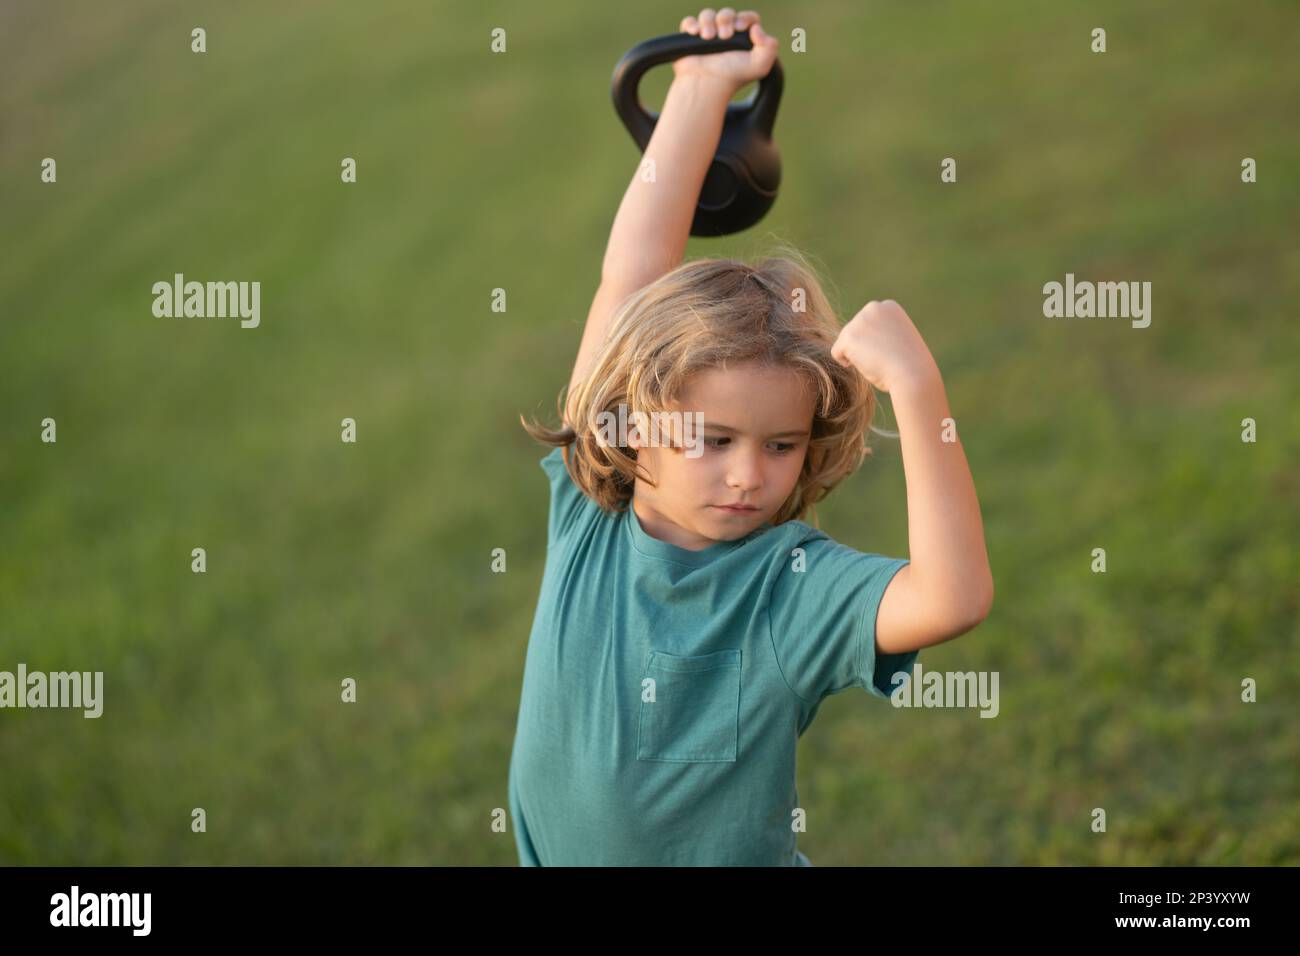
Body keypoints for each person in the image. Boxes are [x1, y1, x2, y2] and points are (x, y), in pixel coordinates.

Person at [509, 8, 993, 865]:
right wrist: (698, 91)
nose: (748, 477)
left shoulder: (788, 585)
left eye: (780, 445)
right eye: (713, 438)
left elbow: (950, 599)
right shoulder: (592, 515)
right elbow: (634, 272)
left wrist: (919, 392)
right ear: (635, 416)